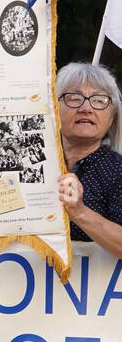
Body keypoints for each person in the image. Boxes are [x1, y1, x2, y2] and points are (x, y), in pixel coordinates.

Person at [56, 62, 122, 257]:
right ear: (54, 108)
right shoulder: (31, 163)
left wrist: (80, 212)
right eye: (74, 98)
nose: (86, 108)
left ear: (113, 116)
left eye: (100, 100)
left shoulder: (117, 171)